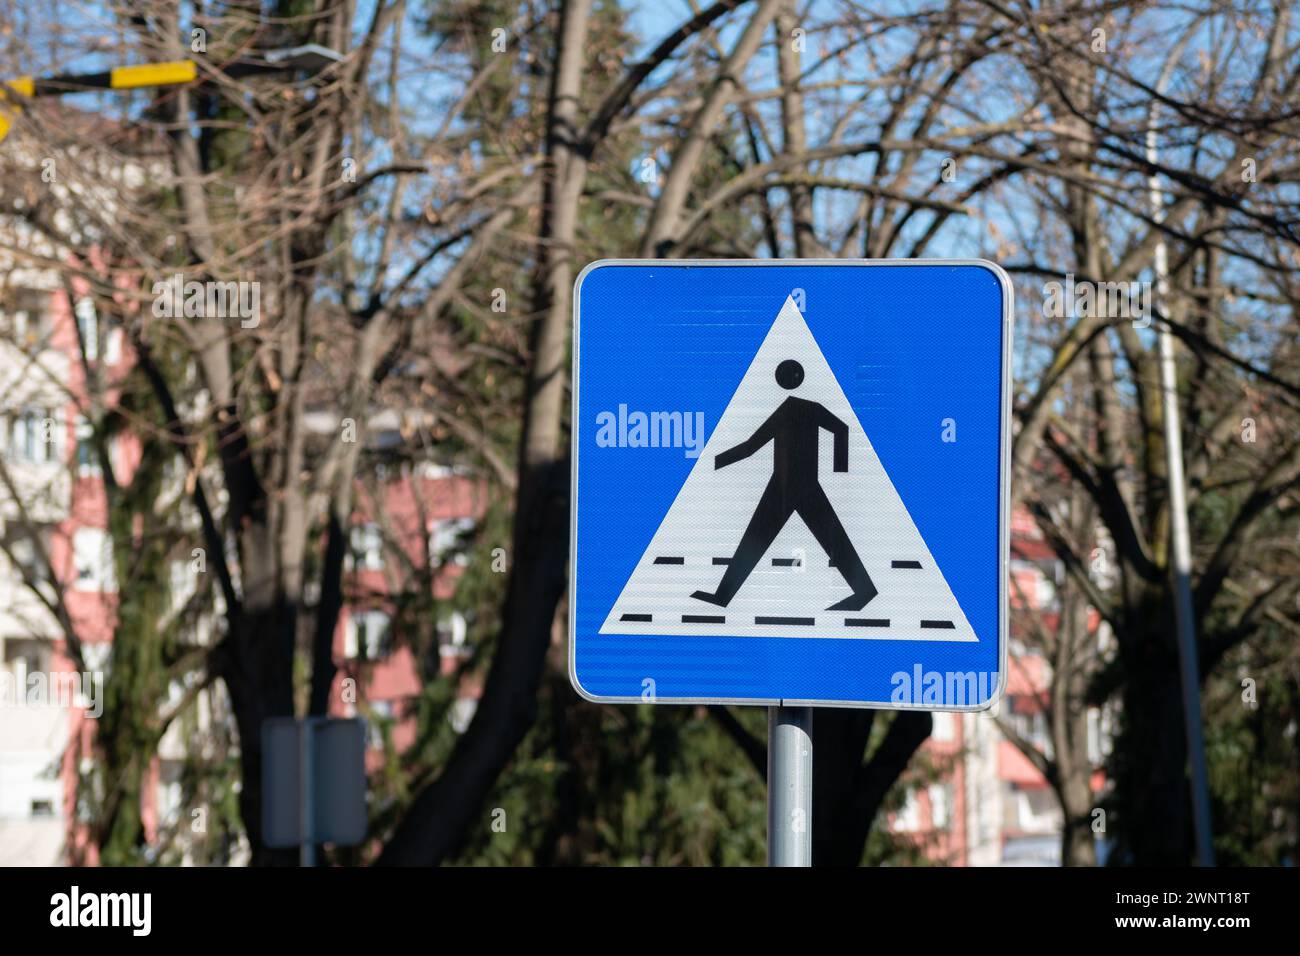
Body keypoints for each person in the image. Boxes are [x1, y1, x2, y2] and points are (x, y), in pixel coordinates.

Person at [691, 359, 878, 611]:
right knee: (824, 538)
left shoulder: (788, 409)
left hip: (787, 485)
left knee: (758, 539)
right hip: (799, 483)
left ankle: (723, 597)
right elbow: (841, 429)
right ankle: (865, 591)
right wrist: (839, 468)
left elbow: (749, 447)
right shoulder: (808, 408)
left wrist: (713, 462)